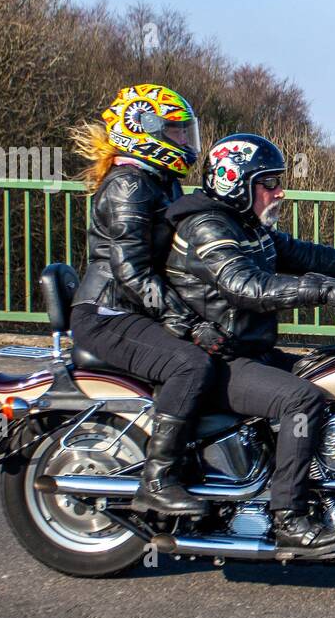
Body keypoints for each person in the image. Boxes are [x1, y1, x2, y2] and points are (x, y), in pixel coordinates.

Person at [163, 134, 335, 548]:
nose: (279, 191)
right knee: (302, 400)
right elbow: (244, 285)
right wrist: (325, 291)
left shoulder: (250, 226)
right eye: (269, 183)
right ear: (237, 183)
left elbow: (304, 254)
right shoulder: (207, 226)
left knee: (330, 371)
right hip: (218, 359)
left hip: (249, 350)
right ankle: (289, 517)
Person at [68, 84, 229, 518]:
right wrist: (187, 322)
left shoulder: (160, 183)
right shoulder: (129, 185)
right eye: (175, 133)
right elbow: (132, 272)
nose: (184, 142)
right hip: (108, 314)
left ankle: (200, 463)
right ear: (143, 129)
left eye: (184, 132)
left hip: (131, 309)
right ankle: (157, 480)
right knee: (189, 363)